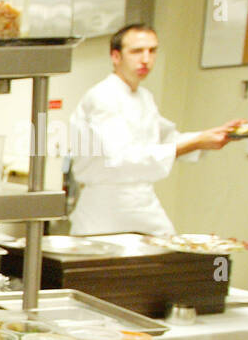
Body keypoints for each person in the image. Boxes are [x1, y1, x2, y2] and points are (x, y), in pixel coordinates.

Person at [68, 24, 239, 235]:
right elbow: (123, 158)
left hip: (143, 203)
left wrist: (216, 134)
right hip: (106, 209)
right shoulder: (103, 97)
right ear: (116, 56)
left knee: (169, 258)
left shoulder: (144, 97)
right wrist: (197, 142)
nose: (146, 59)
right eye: (137, 51)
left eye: (152, 51)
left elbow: (167, 138)